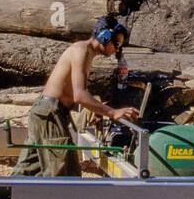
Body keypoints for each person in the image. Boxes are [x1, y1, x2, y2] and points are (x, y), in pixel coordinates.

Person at [12, 14, 141, 177]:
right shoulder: (80, 50)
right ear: (104, 36)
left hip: (48, 113)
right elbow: (80, 94)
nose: (117, 49)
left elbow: (72, 93)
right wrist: (112, 112)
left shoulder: (86, 53)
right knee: (64, 173)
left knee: (29, 169)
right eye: (116, 43)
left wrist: (95, 110)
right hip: (50, 114)